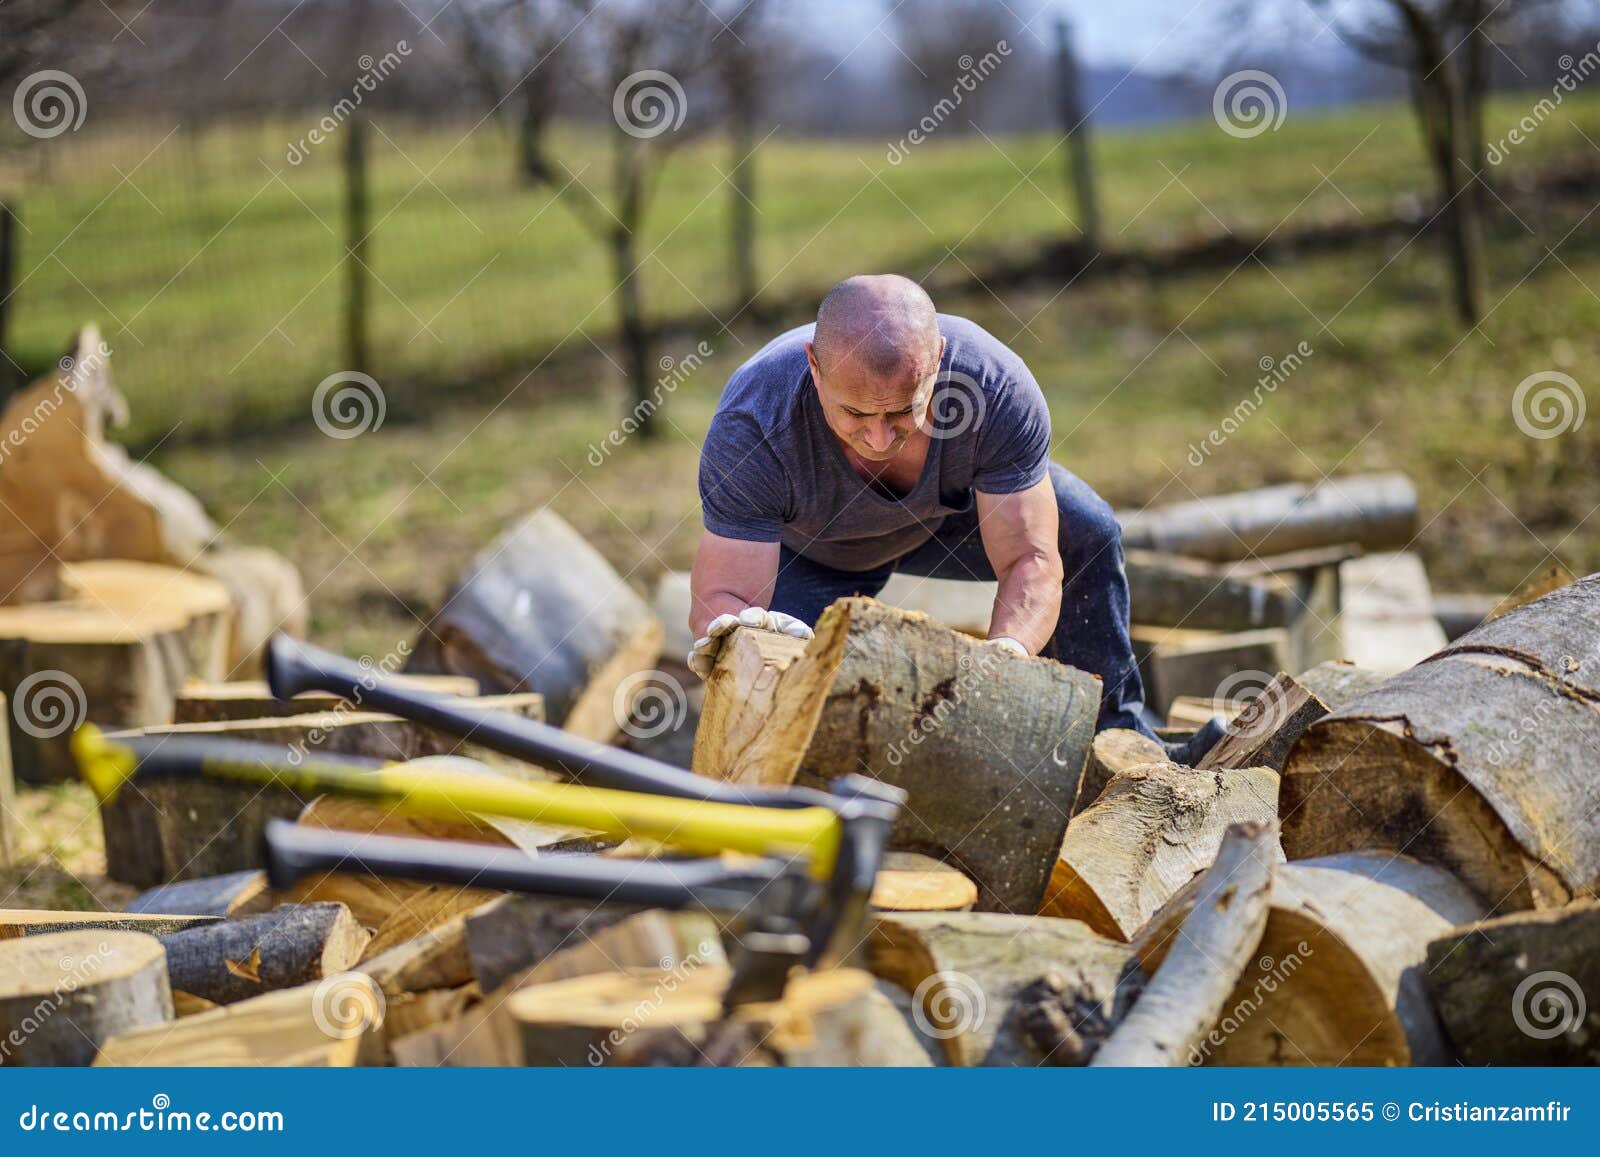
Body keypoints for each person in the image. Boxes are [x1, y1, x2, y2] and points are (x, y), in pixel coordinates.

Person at [686, 273, 1220, 763]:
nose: (878, 438)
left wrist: (1006, 657)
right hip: (812, 552)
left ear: (938, 360)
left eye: (901, 411)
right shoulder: (753, 425)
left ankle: (1118, 749)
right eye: (855, 414)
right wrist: (740, 635)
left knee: (1086, 532)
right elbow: (724, 600)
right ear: (814, 367)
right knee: (772, 694)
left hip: (954, 518)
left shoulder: (993, 387)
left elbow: (1031, 557)